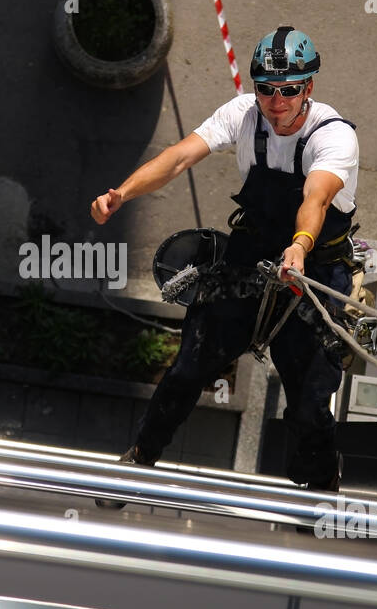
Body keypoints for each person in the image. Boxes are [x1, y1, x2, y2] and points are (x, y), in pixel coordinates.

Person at [91, 25, 358, 495]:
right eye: (266, 90)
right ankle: (140, 459)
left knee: (309, 400)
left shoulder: (333, 137)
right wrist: (123, 193)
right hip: (251, 257)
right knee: (189, 365)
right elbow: (178, 157)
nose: (276, 103)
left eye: (289, 91)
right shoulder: (243, 114)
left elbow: (315, 199)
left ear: (308, 88)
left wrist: (298, 247)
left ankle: (319, 490)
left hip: (312, 269)